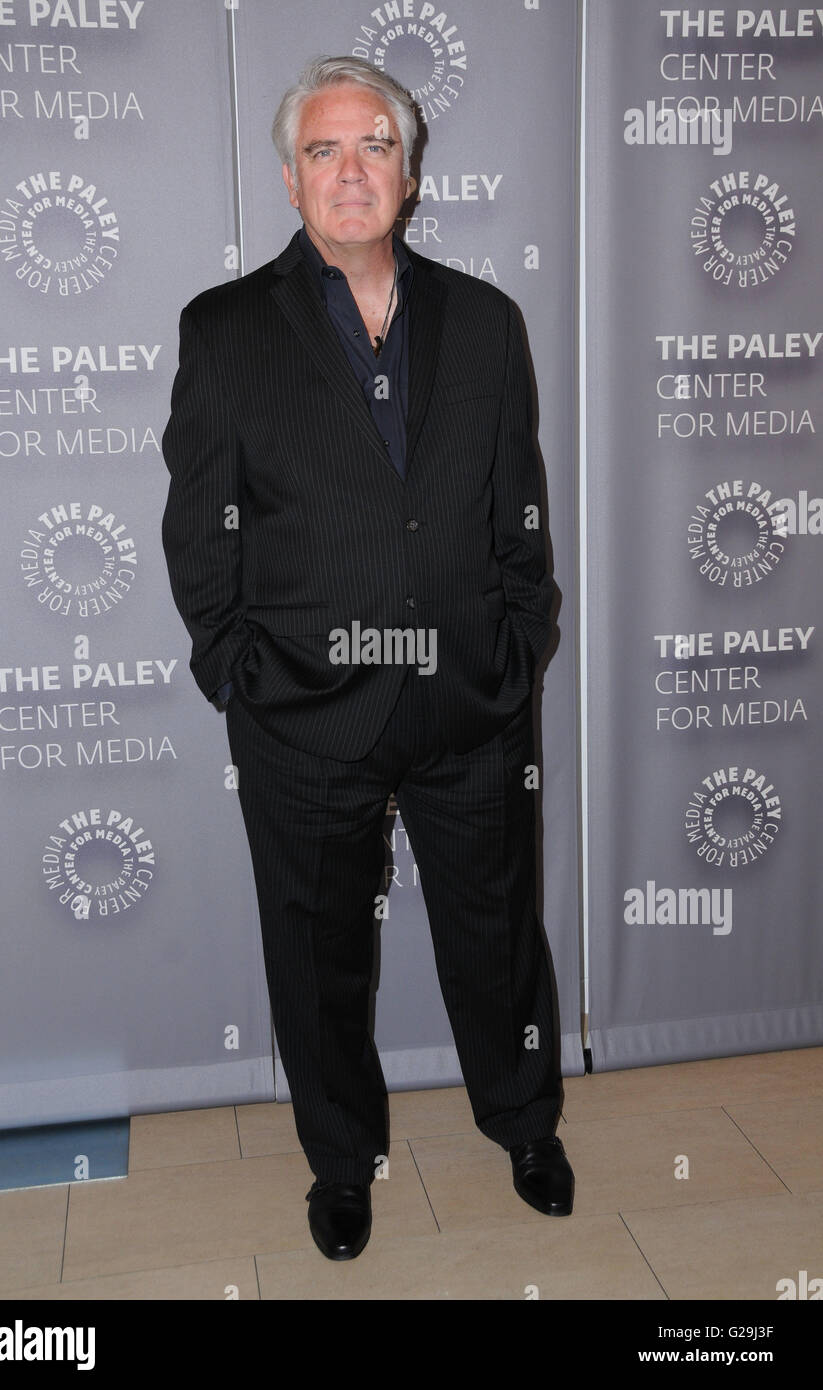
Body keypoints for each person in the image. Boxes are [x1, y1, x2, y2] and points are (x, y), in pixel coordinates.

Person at [161, 54, 574, 1261]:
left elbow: (519, 508)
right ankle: (343, 1162)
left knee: (496, 937)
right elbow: (200, 526)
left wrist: (522, 641)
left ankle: (526, 1121)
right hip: (301, 714)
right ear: (291, 179)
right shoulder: (226, 327)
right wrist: (238, 670)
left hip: (470, 703)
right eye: (326, 152)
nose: (352, 172)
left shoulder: (487, 322)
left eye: (375, 147)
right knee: (319, 956)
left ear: (409, 169)